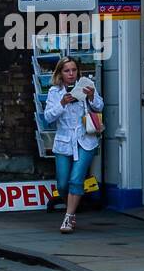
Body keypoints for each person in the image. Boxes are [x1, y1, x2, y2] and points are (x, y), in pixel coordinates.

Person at [43, 56, 104, 234]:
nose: (71, 74)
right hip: (64, 140)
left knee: (76, 179)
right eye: (67, 71)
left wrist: (92, 97)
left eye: (74, 70)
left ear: (78, 71)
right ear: (60, 73)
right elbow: (48, 117)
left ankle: (69, 217)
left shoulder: (85, 85)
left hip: (85, 139)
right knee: (62, 184)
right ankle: (72, 206)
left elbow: (100, 106)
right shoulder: (55, 92)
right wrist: (62, 103)